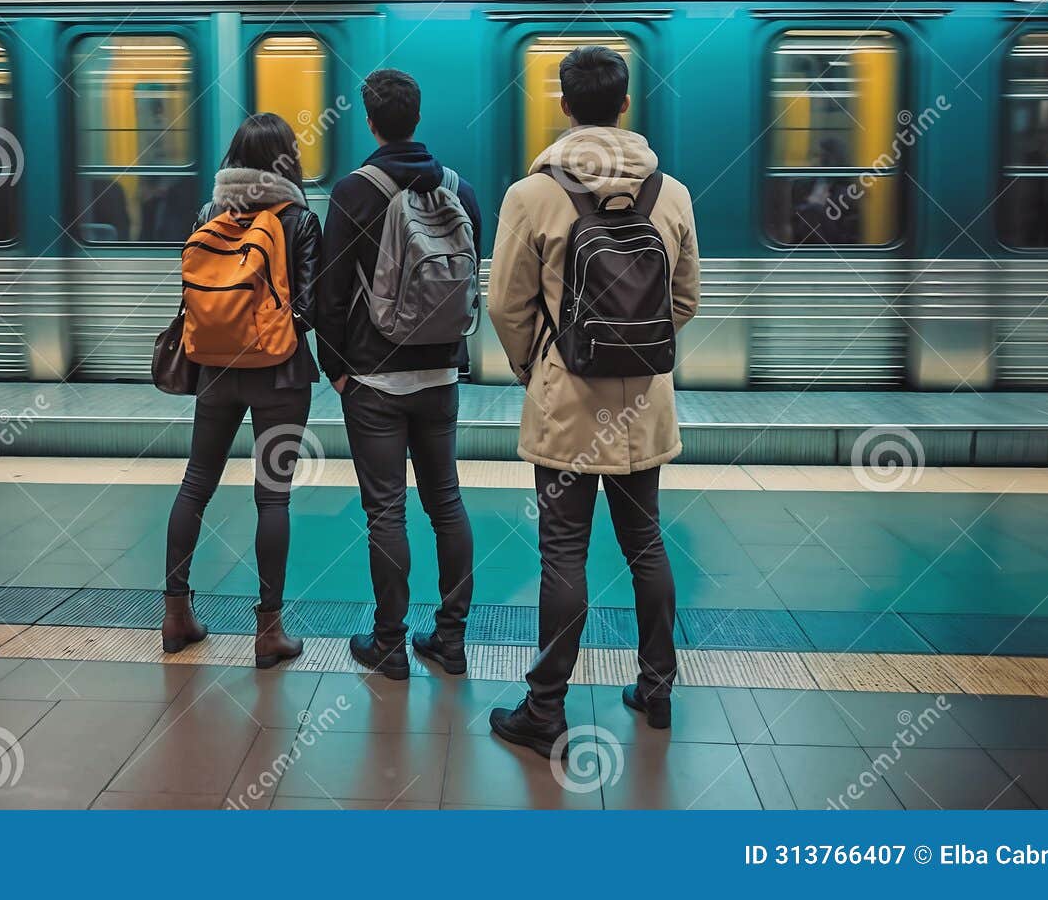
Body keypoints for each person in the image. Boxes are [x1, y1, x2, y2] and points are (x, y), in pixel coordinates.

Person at [485, 45, 699, 755]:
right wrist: (637, 346)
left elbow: (506, 304)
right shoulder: (671, 193)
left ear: (566, 108)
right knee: (644, 543)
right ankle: (657, 688)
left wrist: (535, 367)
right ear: (626, 106)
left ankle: (546, 709)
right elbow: (685, 302)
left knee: (563, 554)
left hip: (566, 405)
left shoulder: (532, 193)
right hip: (644, 404)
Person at [316, 68, 480, 680]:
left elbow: (329, 293)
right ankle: (452, 638)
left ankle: (390, 644)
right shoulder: (462, 191)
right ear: (417, 117)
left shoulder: (354, 191)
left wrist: (335, 370)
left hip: (374, 381)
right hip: (440, 374)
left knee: (386, 510)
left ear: (371, 121)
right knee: (447, 503)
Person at [161, 112, 321, 668]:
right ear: (287, 160)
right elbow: (310, 307)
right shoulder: (298, 217)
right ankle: (269, 632)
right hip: (280, 374)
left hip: (213, 370)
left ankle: (176, 613)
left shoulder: (210, 211)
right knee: (272, 497)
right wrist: (274, 332)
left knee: (196, 484)